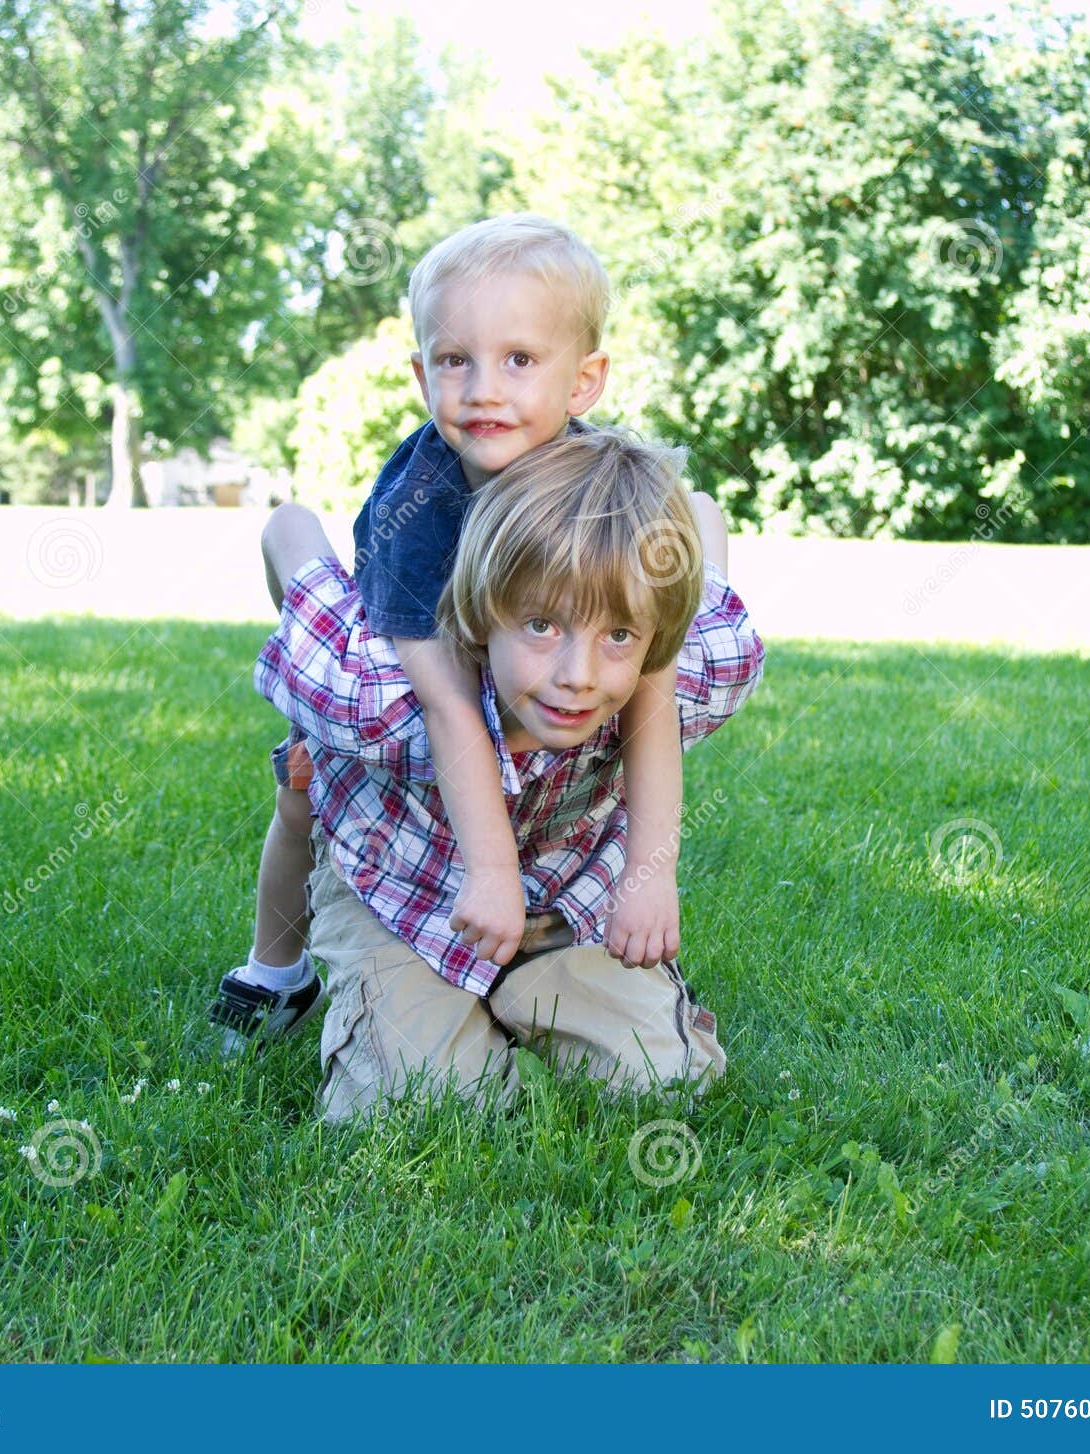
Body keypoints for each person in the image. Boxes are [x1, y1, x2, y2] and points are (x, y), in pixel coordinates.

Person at [210, 215, 694, 1049]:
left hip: (503, 654)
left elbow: (656, 694)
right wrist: (494, 873)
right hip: (407, 655)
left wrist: (651, 877)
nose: (483, 390)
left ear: (584, 383)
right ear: (421, 373)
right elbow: (445, 708)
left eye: (519, 359)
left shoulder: (599, 492)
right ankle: (273, 971)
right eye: (453, 360)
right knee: (310, 780)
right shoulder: (420, 516)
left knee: (683, 542)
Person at [248, 427, 764, 1121]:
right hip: (406, 893)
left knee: (659, 1084)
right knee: (417, 1107)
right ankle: (400, 1006)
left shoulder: (678, 672)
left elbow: (707, 537)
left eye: (618, 634)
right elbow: (288, 535)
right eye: (543, 626)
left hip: (562, 891)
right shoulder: (377, 697)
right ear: (482, 614)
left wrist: (650, 876)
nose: (577, 678)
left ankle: (522, 995)